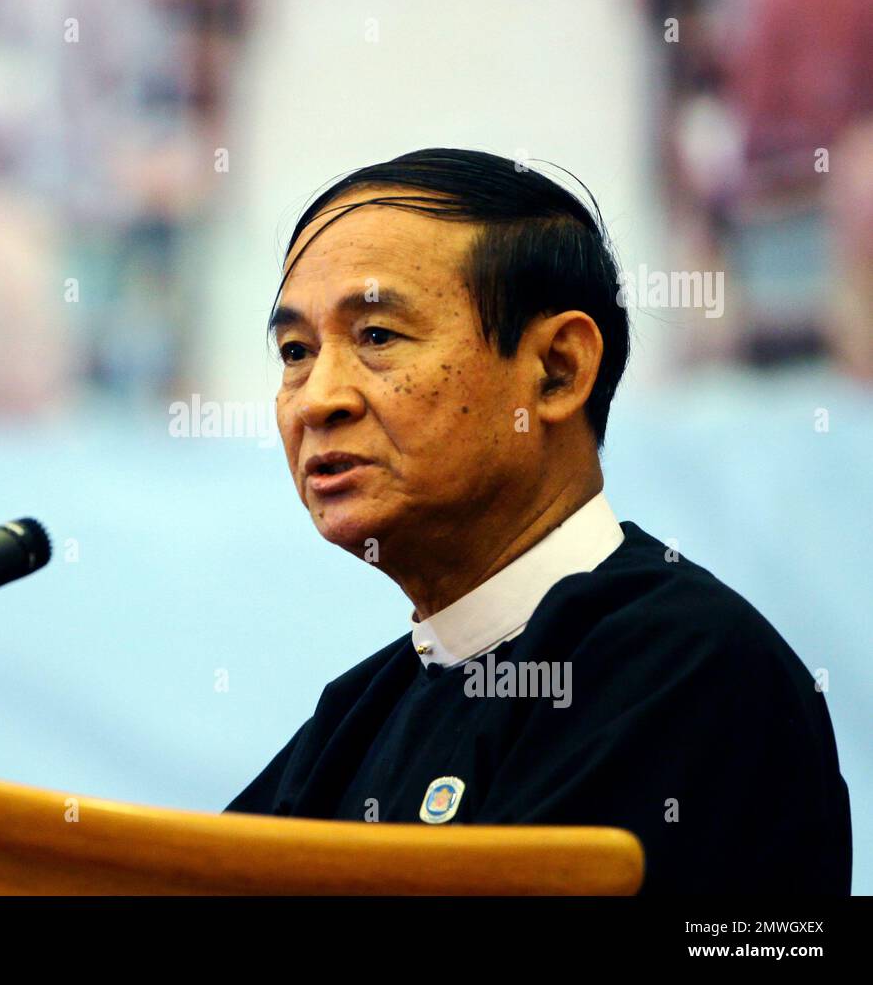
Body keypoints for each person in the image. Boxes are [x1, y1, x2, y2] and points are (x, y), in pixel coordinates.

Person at [223, 148, 852, 895]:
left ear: (558, 368)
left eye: (378, 338)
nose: (317, 398)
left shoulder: (687, 664)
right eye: (296, 351)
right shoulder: (364, 708)